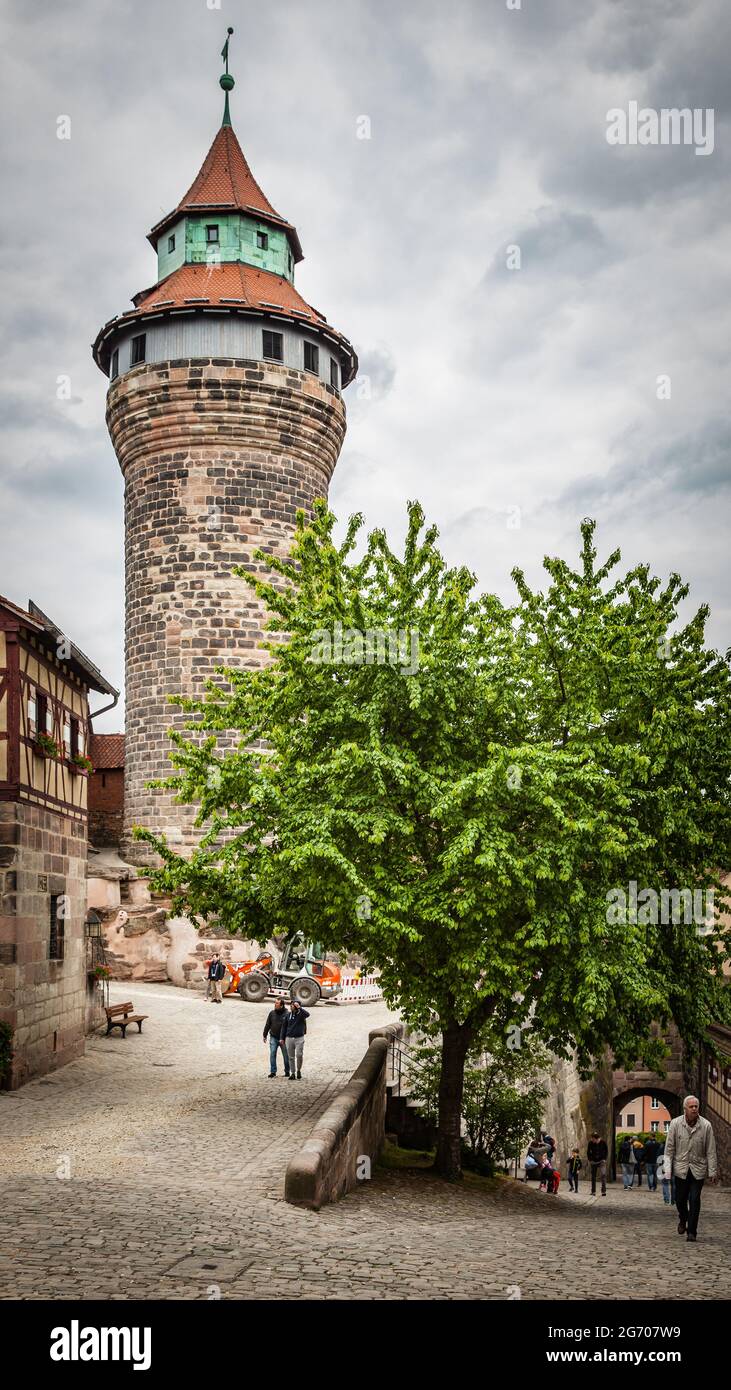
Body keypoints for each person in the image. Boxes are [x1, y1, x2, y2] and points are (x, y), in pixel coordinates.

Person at [664, 1095, 718, 1242]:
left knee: (694, 1199)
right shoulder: (675, 1124)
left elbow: (711, 1150)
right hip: (681, 1168)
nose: (694, 1109)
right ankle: (683, 1218)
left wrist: (712, 1171)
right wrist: (667, 1169)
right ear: (685, 1109)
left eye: (696, 1106)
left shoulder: (706, 1125)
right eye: (691, 1107)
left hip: (698, 1169)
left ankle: (692, 1231)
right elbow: (669, 1148)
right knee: (679, 1199)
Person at [282, 999, 309, 1080]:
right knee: (291, 1057)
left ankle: (298, 1070)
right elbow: (284, 1027)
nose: (291, 1006)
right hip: (289, 1038)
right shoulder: (288, 1015)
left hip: (299, 1038)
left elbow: (307, 1014)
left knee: (299, 1055)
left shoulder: (301, 1014)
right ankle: (293, 1073)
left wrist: (299, 1007)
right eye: (291, 1005)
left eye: (293, 1005)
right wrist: (281, 1038)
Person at [262, 997, 290, 1077]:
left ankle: (287, 1071)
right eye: (275, 1003)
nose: (275, 1004)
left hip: (283, 1039)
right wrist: (264, 1035)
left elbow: (289, 1027)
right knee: (272, 1054)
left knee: (286, 1055)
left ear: (281, 1005)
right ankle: (273, 1072)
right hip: (273, 1037)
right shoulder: (272, 1013)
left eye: (277, 1003)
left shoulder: (287, 1014)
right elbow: (268, 1024)